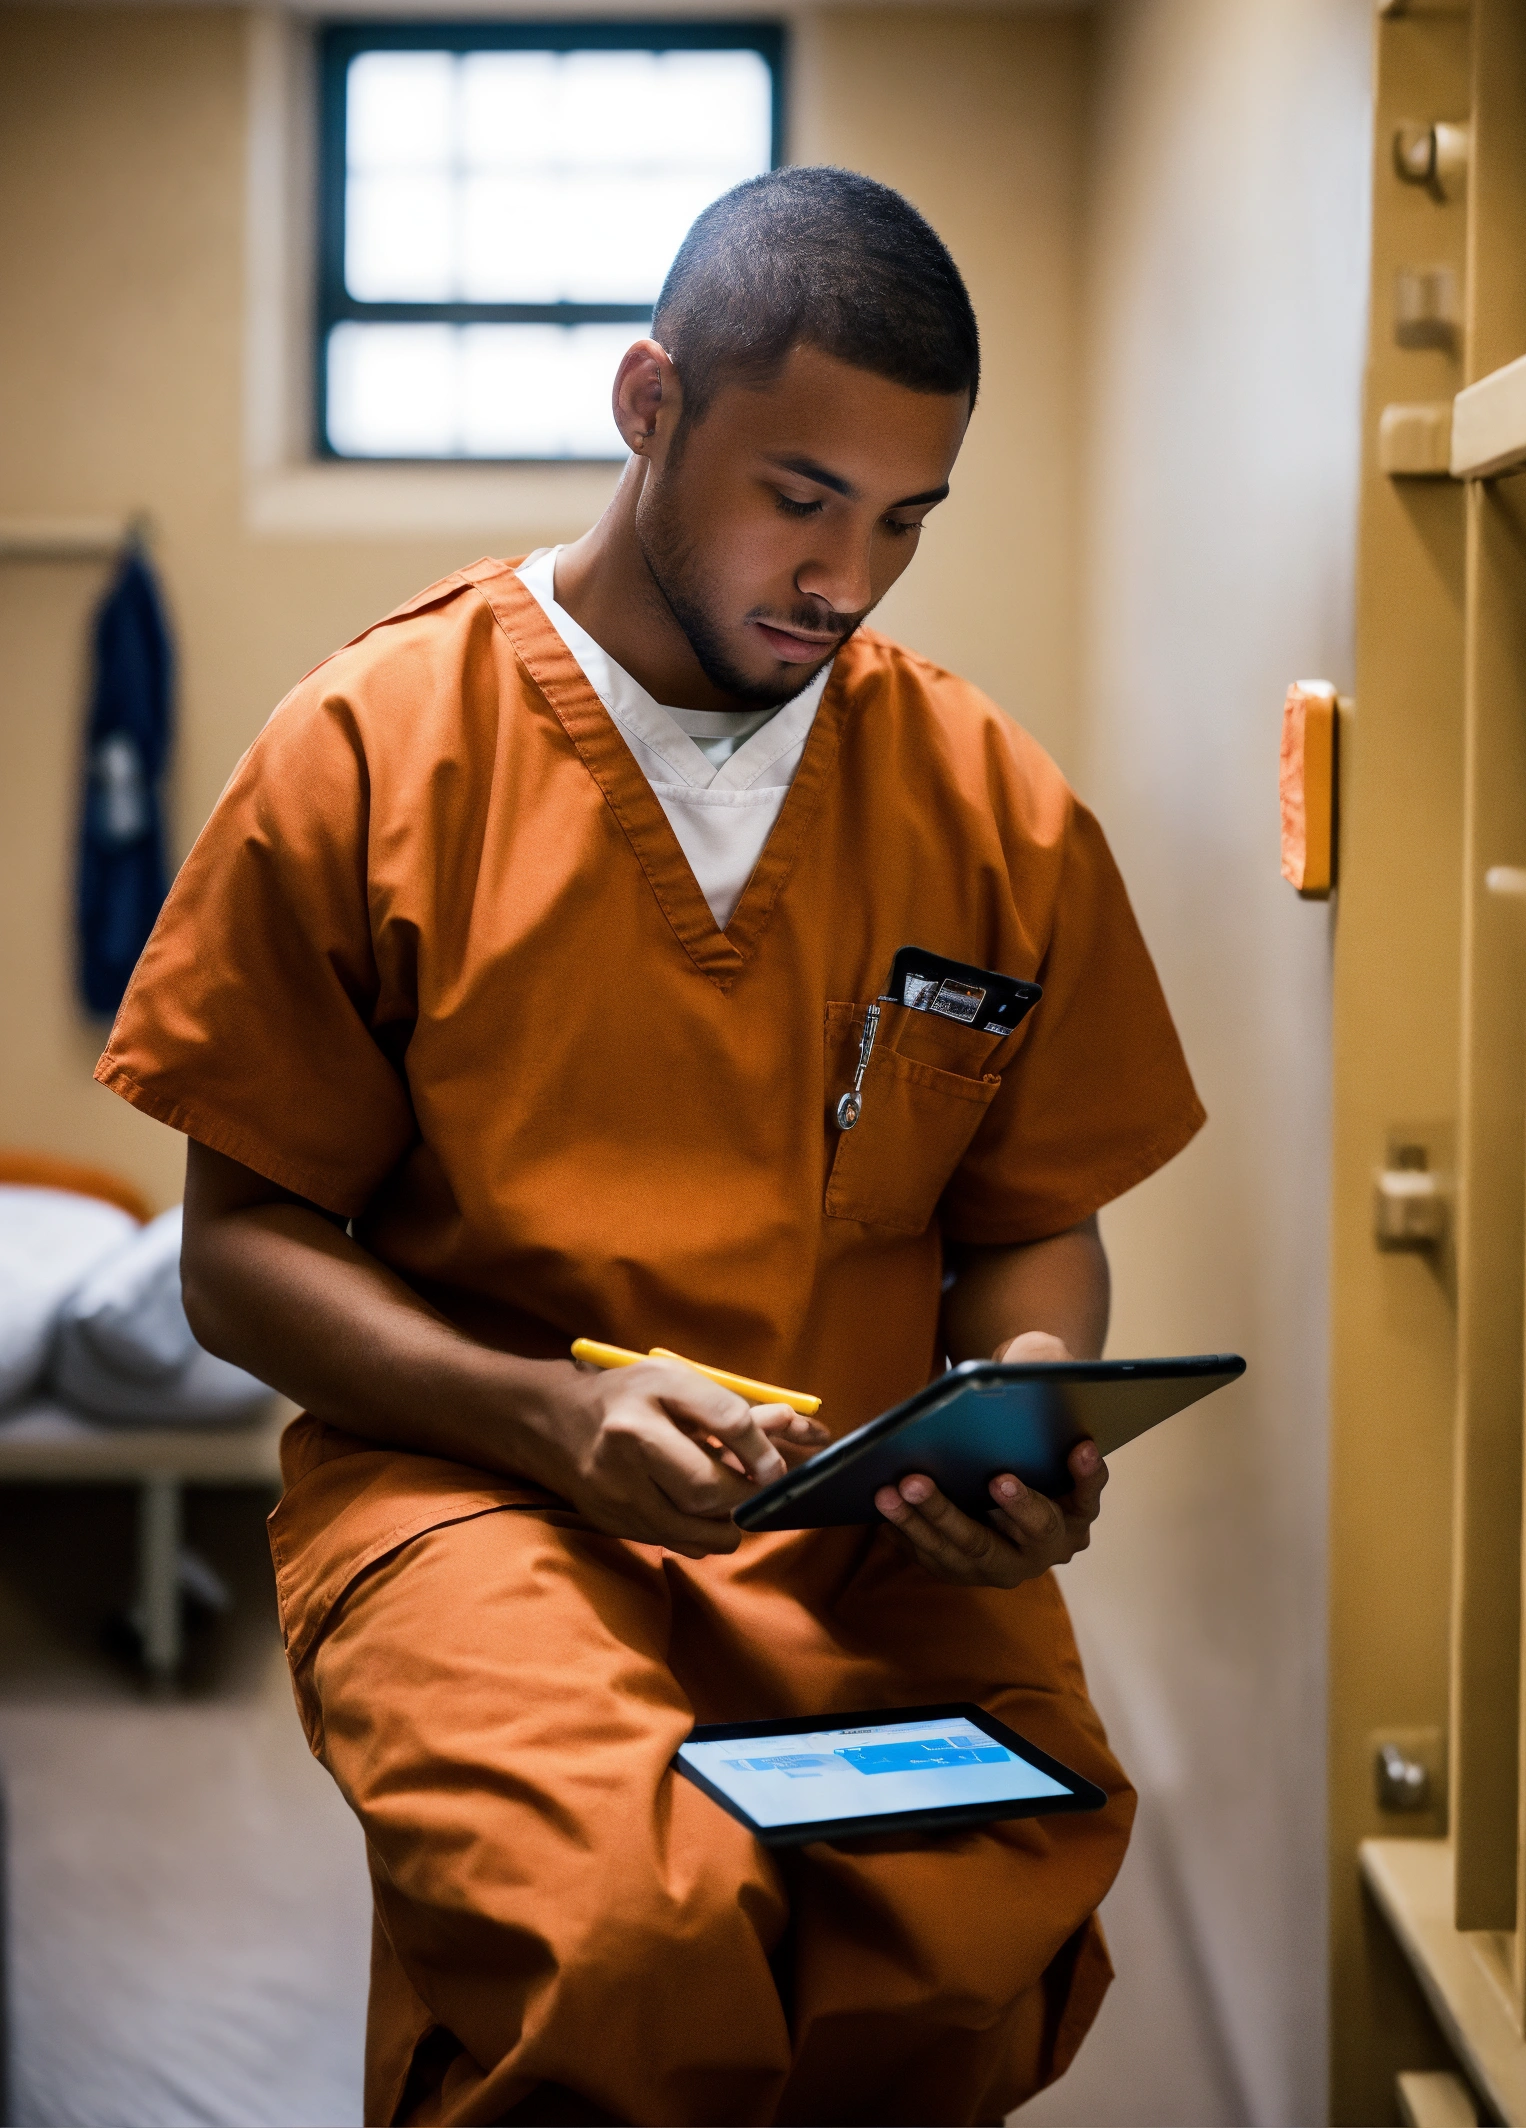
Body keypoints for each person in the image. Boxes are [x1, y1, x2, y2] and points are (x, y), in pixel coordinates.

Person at [97, 166, 1204, 2127]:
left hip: (867, 1531)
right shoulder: (369, 751)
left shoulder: (984, 801)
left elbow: (1035, 1222)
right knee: (621, 1934)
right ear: (648, 404)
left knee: (967, 1921)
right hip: (482, 1502)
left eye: (903, 522)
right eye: (801, 497)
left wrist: (1024, 1404)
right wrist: (541, 1421)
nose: (845, 579)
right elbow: (238, 1251)